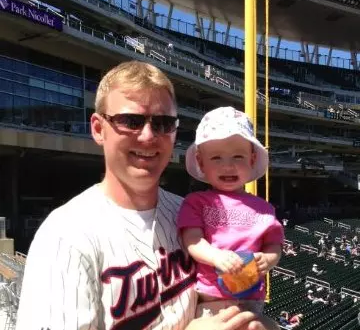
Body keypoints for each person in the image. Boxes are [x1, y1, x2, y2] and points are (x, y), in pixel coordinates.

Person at [16, 61, 277, 330]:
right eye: (131, 121)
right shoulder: (64, 236)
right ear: (97, 128)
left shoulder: (189, 211)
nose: (148, 135)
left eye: (163, 123)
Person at [177, 107, 284, 317]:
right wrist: (216, 257)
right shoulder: (196, 202)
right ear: (201, 162)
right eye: (216, 158)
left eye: (238, 156)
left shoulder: (264, 208)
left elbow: (274, 244)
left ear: (252, 160)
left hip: (251, 297)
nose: (228, 166)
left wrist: (269, 259)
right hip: (210, 298)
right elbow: (192, 240)